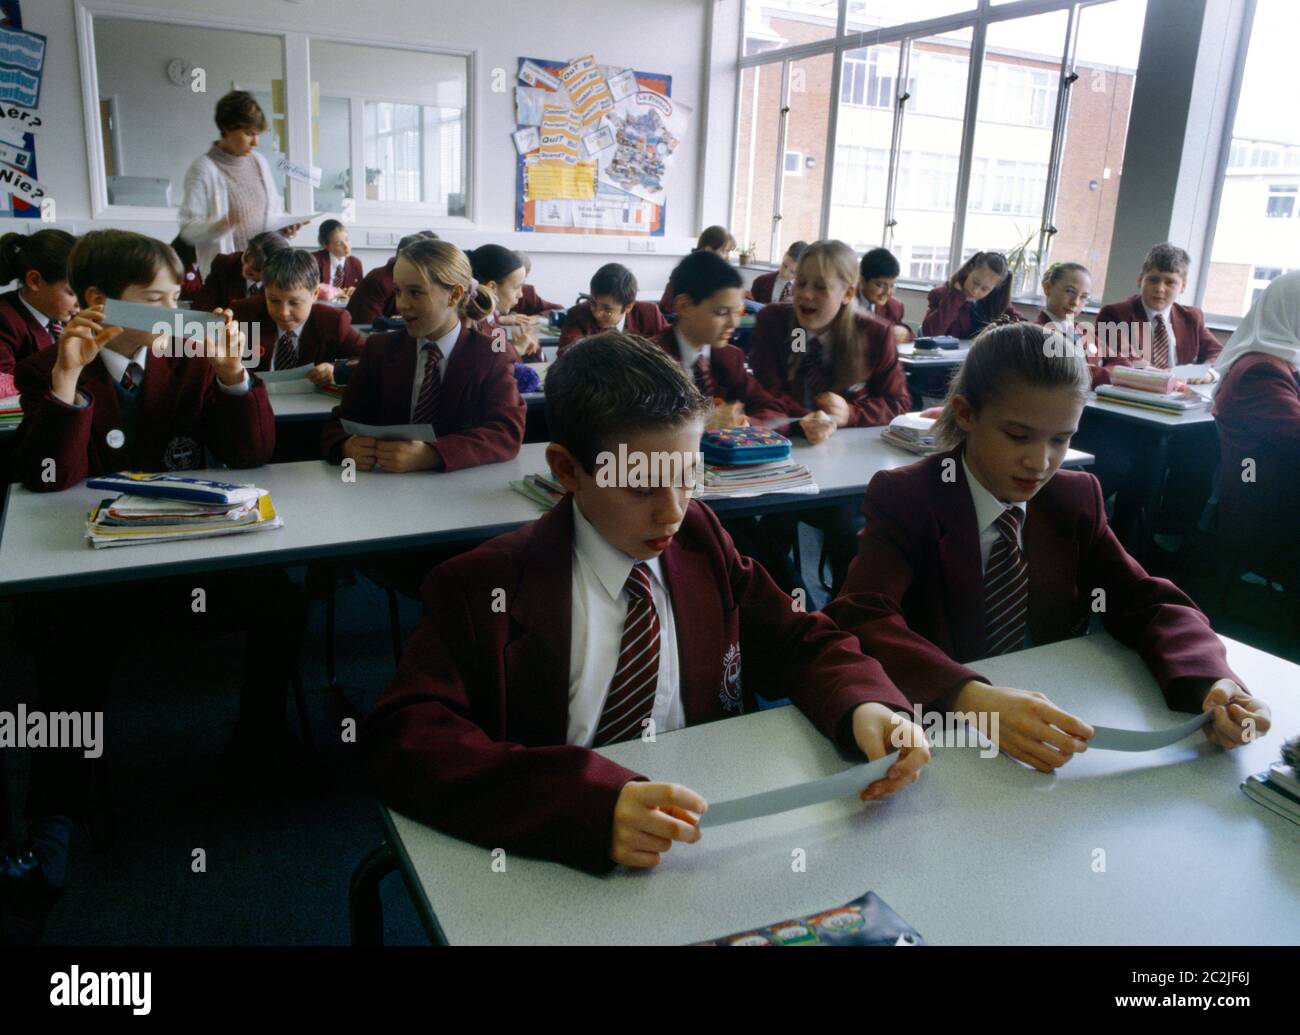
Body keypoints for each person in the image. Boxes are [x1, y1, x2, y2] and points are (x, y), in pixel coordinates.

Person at [363, 332, 930, 873]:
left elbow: (799, 639)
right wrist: (584, 802)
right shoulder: (483, 585)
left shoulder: (700, 539)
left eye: (687, 475)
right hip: (565, 856)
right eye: (641, 486)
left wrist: (867, 706)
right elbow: (406, 739)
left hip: (707, 833)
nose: (671, 511)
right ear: (567, 470)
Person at [825, 322, 1269, 773]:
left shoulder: (1073, 498)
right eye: (1018, 436)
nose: (1040, 463)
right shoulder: (908, 497)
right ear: (965, 413)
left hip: (1050, 730)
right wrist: (971, 697)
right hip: (942, 739)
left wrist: (1212, 680)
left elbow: (1146, 601)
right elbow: (863, 615)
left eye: (1061, 439)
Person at [177, 90, 303, 276]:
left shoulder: (259, 162)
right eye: (248, 133)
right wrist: (220, 225)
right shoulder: (203, 169)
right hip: (228, 272)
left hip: (266, 271)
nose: (255, 142)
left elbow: (272, 214)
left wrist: (284, 228)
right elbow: (188, 229)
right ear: (227, 128)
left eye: (257, 134)